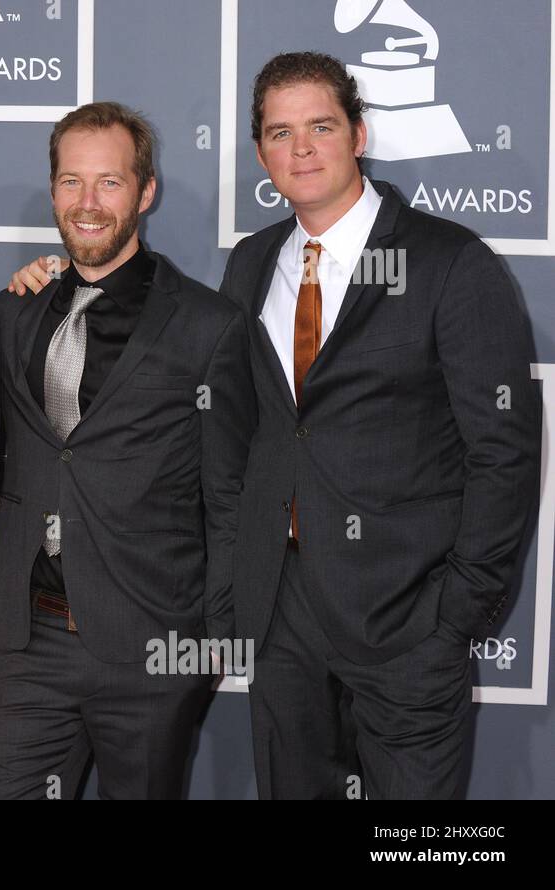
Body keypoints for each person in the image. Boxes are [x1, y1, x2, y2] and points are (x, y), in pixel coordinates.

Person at [218, 51, 539, 799]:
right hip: (282, 615)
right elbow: (236, 428)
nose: (301, 149)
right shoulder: (251, 263)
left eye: (321, 126)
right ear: (261, 149)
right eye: (279, 132)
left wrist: (456, 613)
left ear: (358, 134)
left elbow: (504, 451)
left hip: (407, 619)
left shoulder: (447, 261)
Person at [0, 102, 255, 799]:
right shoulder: (17, 312)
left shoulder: (208, 326)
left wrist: (212, 642)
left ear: (146, 191)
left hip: (152, 649)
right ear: (53, 191)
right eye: (71, 182)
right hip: (29, 643)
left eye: (109, 182)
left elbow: (227, 498)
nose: (88, 203)